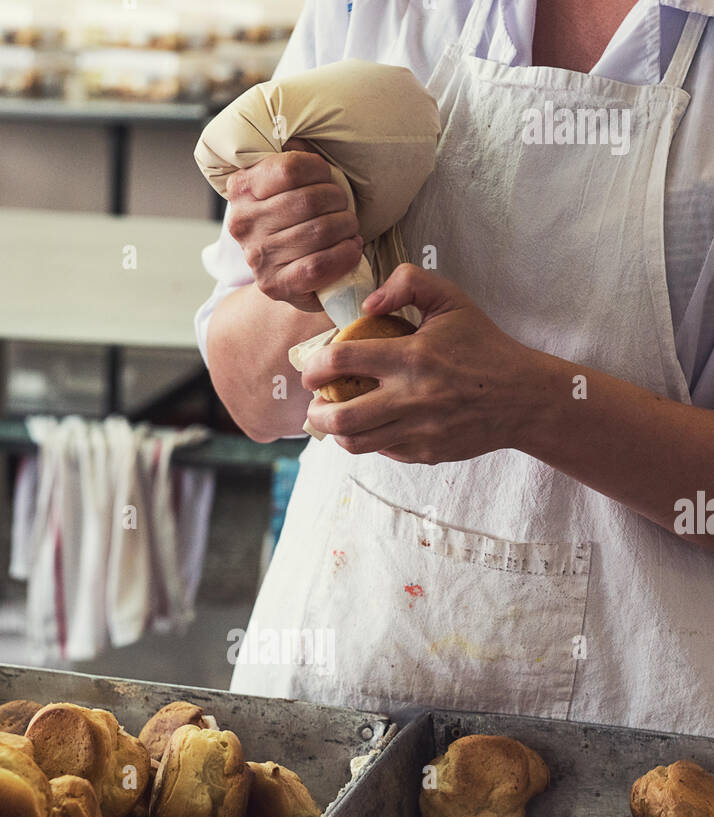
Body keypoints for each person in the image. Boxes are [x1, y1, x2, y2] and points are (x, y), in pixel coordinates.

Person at [195, 0, 714, 734]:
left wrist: (531, 405)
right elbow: (254, 396)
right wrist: (319, 254)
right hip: (338, 699)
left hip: (640, 752)